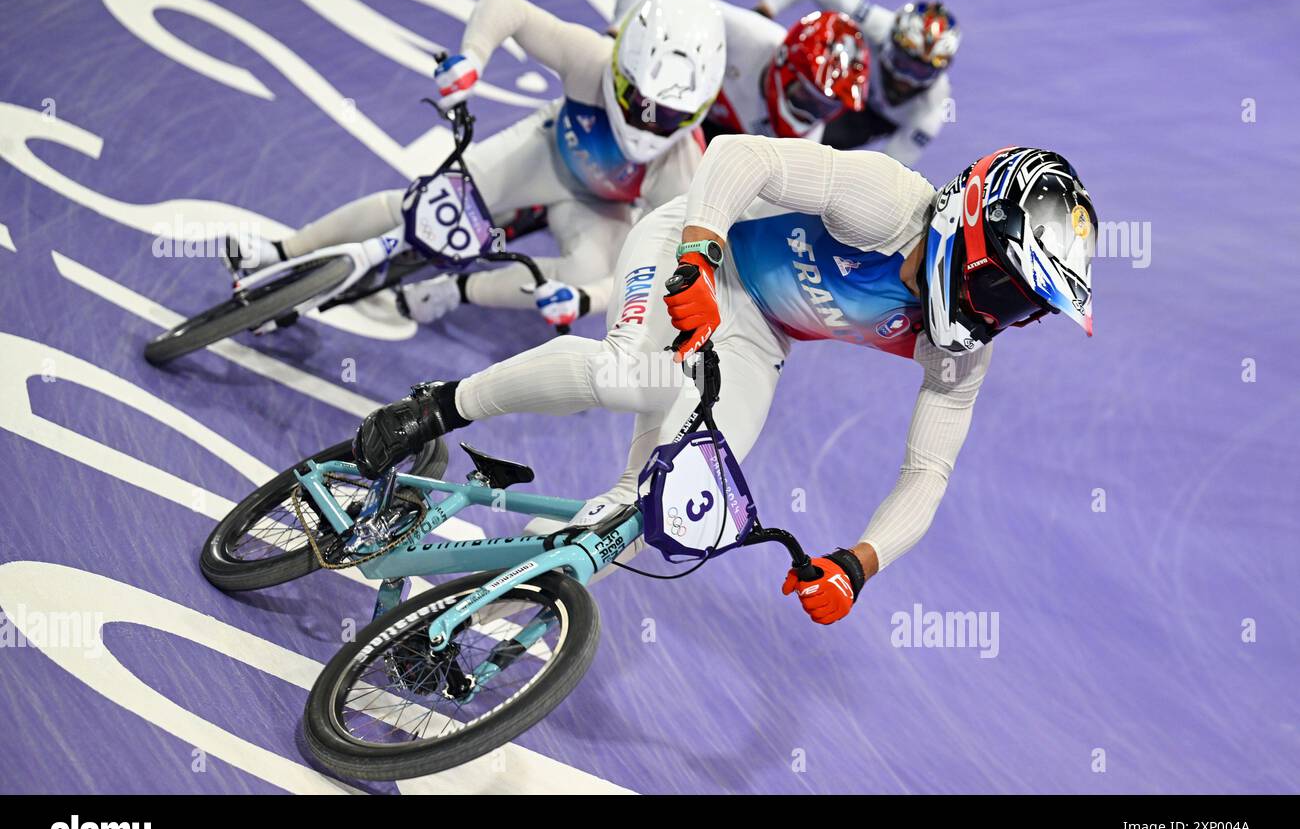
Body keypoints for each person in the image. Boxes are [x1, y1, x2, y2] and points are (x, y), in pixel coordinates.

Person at [350, 136, 1097, 625]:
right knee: (631, 374)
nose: (1001, 312)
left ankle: (458, 626)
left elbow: (929, 472)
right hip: (696, 245)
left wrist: (857, 564)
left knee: (661, 505)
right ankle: (435, 409)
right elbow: (744, 159)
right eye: (1005, 286)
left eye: (1026, 307)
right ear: (969, 225)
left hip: (758, 332)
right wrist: (699, 254)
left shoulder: (961, 350)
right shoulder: (886, 201)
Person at [224, 0, 726, 330]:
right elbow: (507, 6)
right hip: (543, 155)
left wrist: (586, 301)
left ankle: (457, 291)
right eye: (637, 102)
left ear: (700, 111)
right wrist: (472, 58)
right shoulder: (589, 56)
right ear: (620, 67)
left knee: (583, 272)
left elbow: (652, 270)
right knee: (413, 206)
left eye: (667, 117)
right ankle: (282, 249)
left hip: (599, 209)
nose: (646, 123)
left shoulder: (684, 168)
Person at [615, 0, 868, 144]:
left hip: (721, 145)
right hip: (670, 113)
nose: (811, 113)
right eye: (806, 96)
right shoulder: (741, 32)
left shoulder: (805, 141)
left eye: (826, 108)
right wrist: (612, 35)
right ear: (784, 62)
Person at [756, 0, 961, 165]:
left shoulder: (933, 108)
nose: (905, 79)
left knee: (800, 154)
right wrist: (766, 9)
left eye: (921, 72)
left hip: (868, 120)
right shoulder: (876, 24)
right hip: (840, 81)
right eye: (902, 63)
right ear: (890, 42)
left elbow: (892, 168)